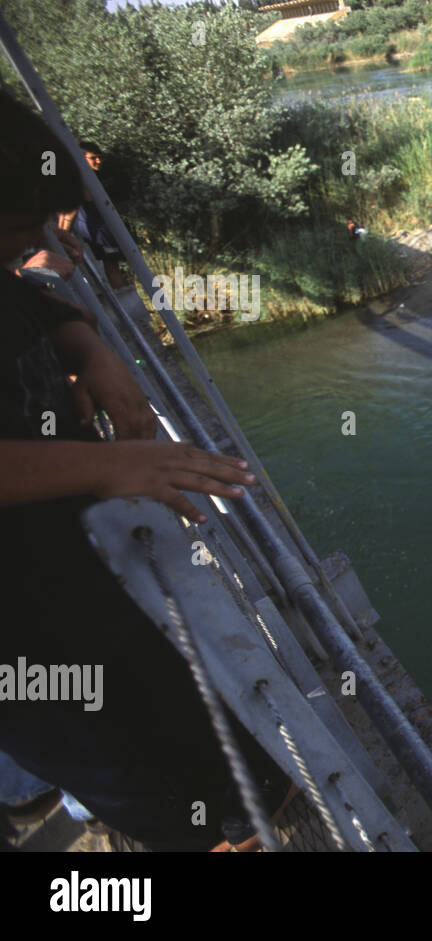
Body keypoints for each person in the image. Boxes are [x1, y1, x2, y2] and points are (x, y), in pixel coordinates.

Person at [0, 88, 290, 851]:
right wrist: (111, 466)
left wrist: (85, 343)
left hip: (77, 570)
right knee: (141, 783)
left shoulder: (8, 270)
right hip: (23, 648)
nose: (36, 242)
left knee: (228, 758)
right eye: (20, 224)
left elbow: (26, 297)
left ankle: (245, 818)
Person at [56, 142, 127, 291]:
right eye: (93, 158)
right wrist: (62, 234)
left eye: (99, 157)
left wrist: (61, 233)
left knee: (111, 267)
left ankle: (124, 300)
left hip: (99, 230)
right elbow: (70, 210)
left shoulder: (84, 178)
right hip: (97, 230)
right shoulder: (81, 179)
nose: (98, 161)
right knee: (110, 267)